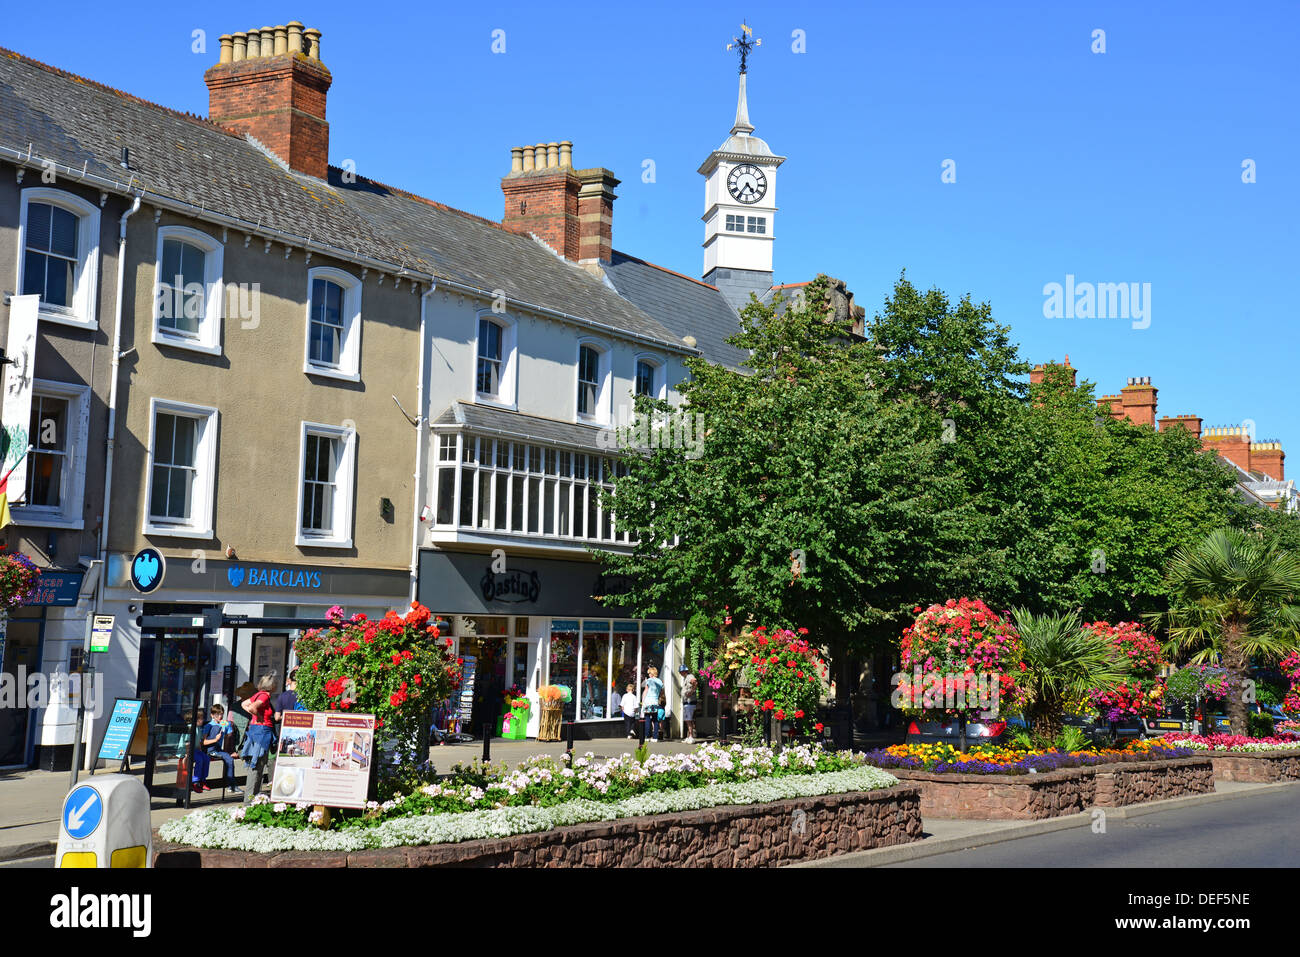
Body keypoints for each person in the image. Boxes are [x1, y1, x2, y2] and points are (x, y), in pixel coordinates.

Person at [239, 674, 277, 801]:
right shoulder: (265, 696)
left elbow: (244, 704)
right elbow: (252, 707)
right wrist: (260, 718)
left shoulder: (258, 694)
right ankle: (249, 801)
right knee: (257, 767)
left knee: (255, 766)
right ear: (271, 686)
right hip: (262, 732)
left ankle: (251, 799)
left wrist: (255, 717)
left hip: (256, 731)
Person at [201, 704, 241, 796]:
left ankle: (232, 785)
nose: (220, 716)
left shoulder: (224, 724)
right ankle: (232, 785)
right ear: (212, 715)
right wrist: (215, 739)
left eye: (221, 714)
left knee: (229, 760)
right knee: (215, 728)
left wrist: (228, 727)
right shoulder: (209, 726)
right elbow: (203, 742)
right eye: (217, 714)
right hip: (209, 749)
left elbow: (229, 736)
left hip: (218, 749)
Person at [187, 710, 211, 792]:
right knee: (199, 760)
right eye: (201, 718)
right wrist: (186, 755)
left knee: (206, 758)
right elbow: (187, 743)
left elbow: (199, 742)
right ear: (195, 719)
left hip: (196, 750)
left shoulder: (199, 729)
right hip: (188, 751)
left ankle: (202, 780)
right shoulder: (190, 728)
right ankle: (195, 781)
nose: (203, 720)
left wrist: (200, 751)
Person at [641, 667, 665, 742]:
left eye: (649, 673)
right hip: (655, 702)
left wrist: (643, 701)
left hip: (648, 701)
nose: (648, 675)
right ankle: (655, 737)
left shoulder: (649, 680)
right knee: (655, 720)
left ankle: (647, 736)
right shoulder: (660, 682)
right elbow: (661, 693)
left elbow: (645, 691)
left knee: (647, 718)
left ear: (652, 673)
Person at [679, 665, 699, 744]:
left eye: (681, 672)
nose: (680, 673)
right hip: (687, 702)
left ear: (684, 671)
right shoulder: (686, 677)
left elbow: (695, 682)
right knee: (688, 720)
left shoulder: (689, 676)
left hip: (689, 702)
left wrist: (691, 692)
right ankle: (689, 736)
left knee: (688, 720)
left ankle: (691, 736)